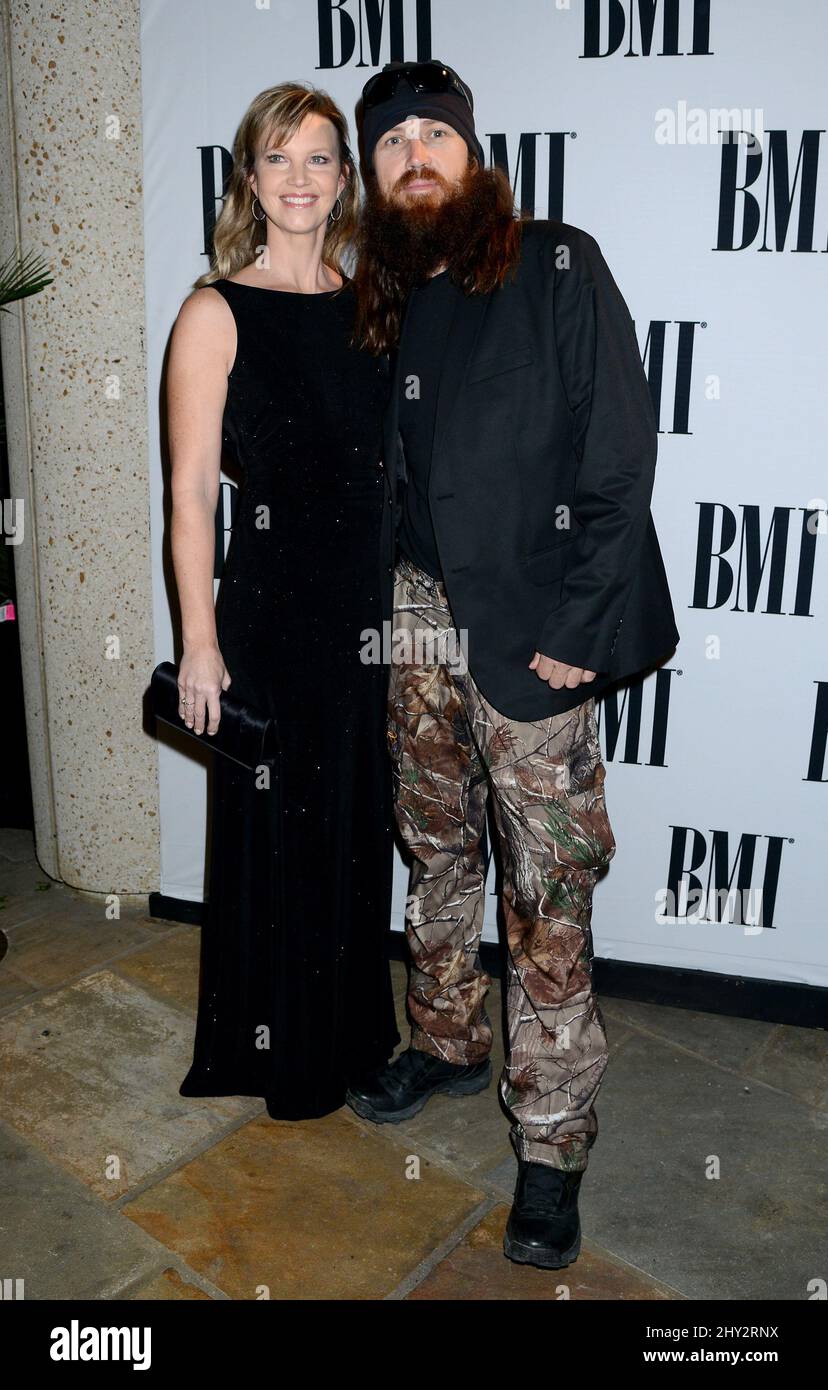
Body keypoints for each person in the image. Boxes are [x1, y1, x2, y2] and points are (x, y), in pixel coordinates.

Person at [345, 59, 680, 1268]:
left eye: (435, 136)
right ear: (373, 172)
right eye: (392, 143)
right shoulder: (379, 294)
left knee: (547, 893)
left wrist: (583, 625)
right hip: (417, 621)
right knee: (434, 846)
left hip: (537, 626)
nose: (415, 157)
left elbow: (619, 458)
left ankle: (551, 1143)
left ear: (473, 155)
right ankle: (443, 1040)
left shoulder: (555, 265)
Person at [168, 82, 399, 1121]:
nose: (299, 178)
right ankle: (285, 1051)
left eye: (318, 157)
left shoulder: (373, 304)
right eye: (278, 157)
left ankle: (350, 1035)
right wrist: (200, 642)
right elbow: (189, 494)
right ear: (249, 179)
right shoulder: (215, 311)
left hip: (363, 615)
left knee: (353, 825)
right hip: (268, 616)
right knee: (283, 833)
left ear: (344, 178)